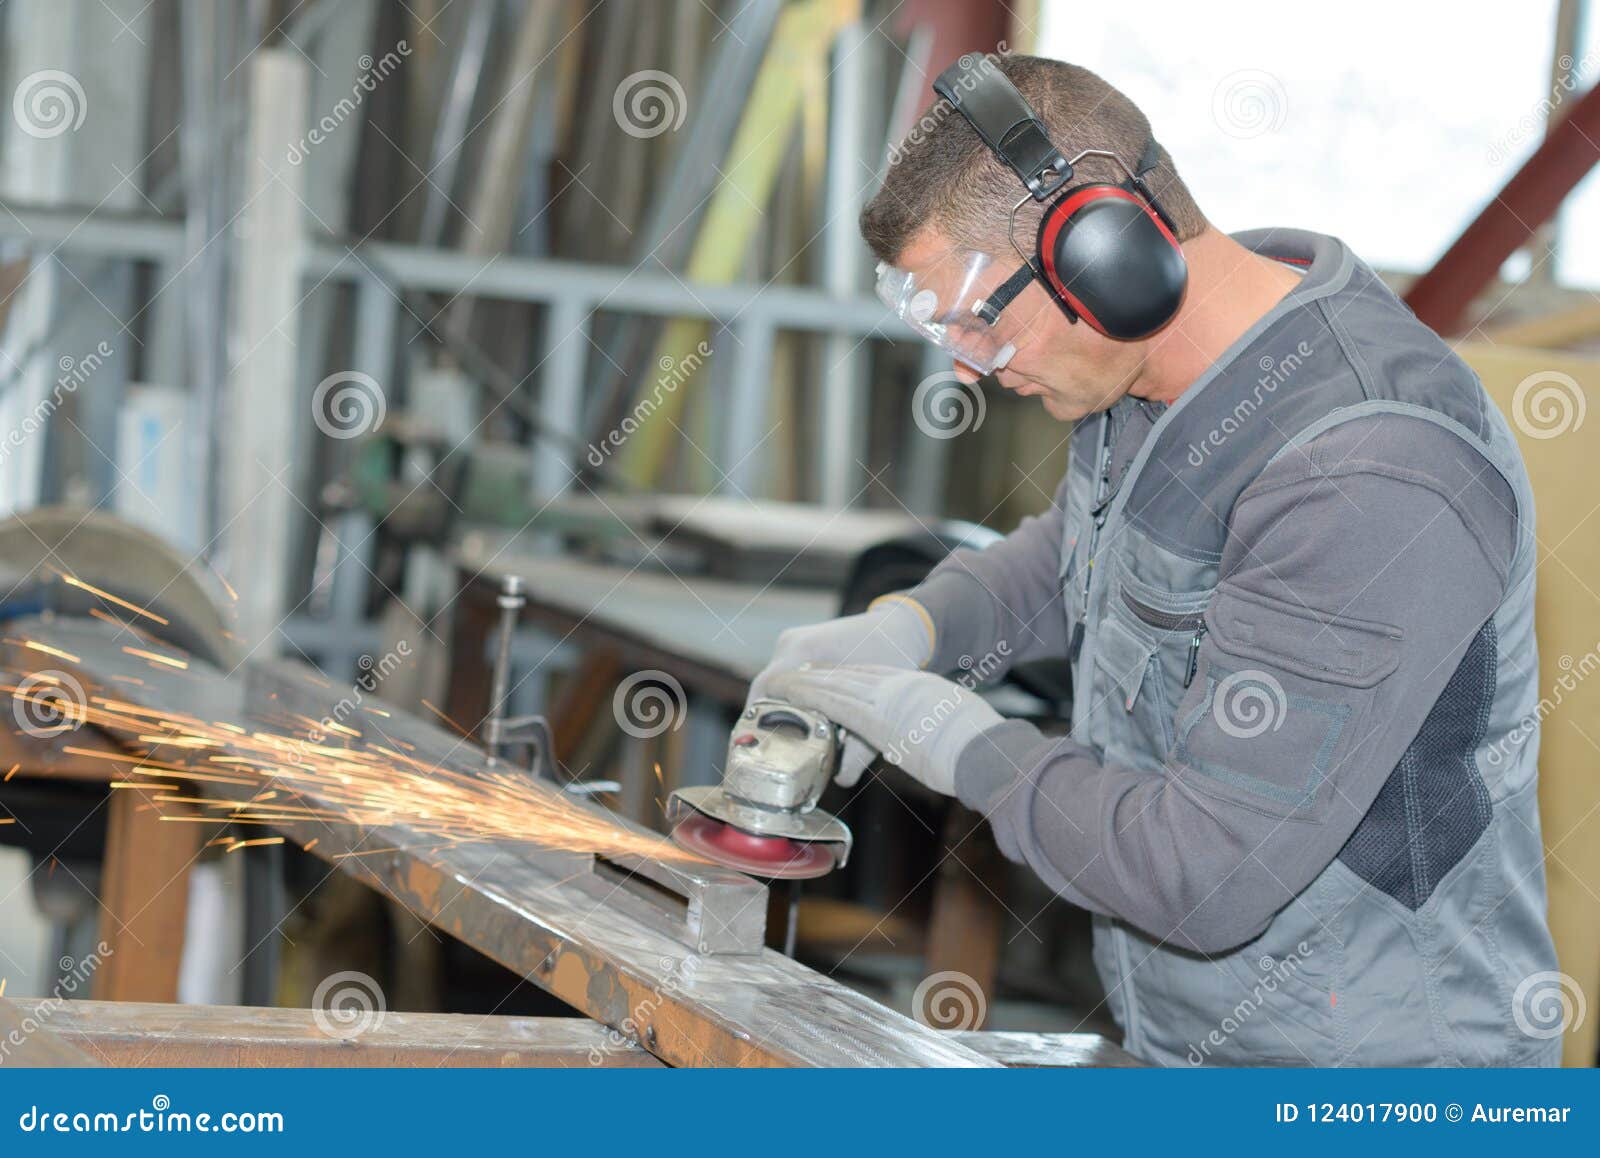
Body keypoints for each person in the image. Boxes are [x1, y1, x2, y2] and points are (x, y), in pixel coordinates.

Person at [758, 53, 1559, 1067]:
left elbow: (1201, 876)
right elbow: (1073, 555)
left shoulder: (1370, 468)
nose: (964, 364)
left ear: (1102, 253)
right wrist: (913, 627)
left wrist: (953, 737)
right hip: (1184, 1043)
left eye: (977, 317)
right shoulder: (1156, 376)